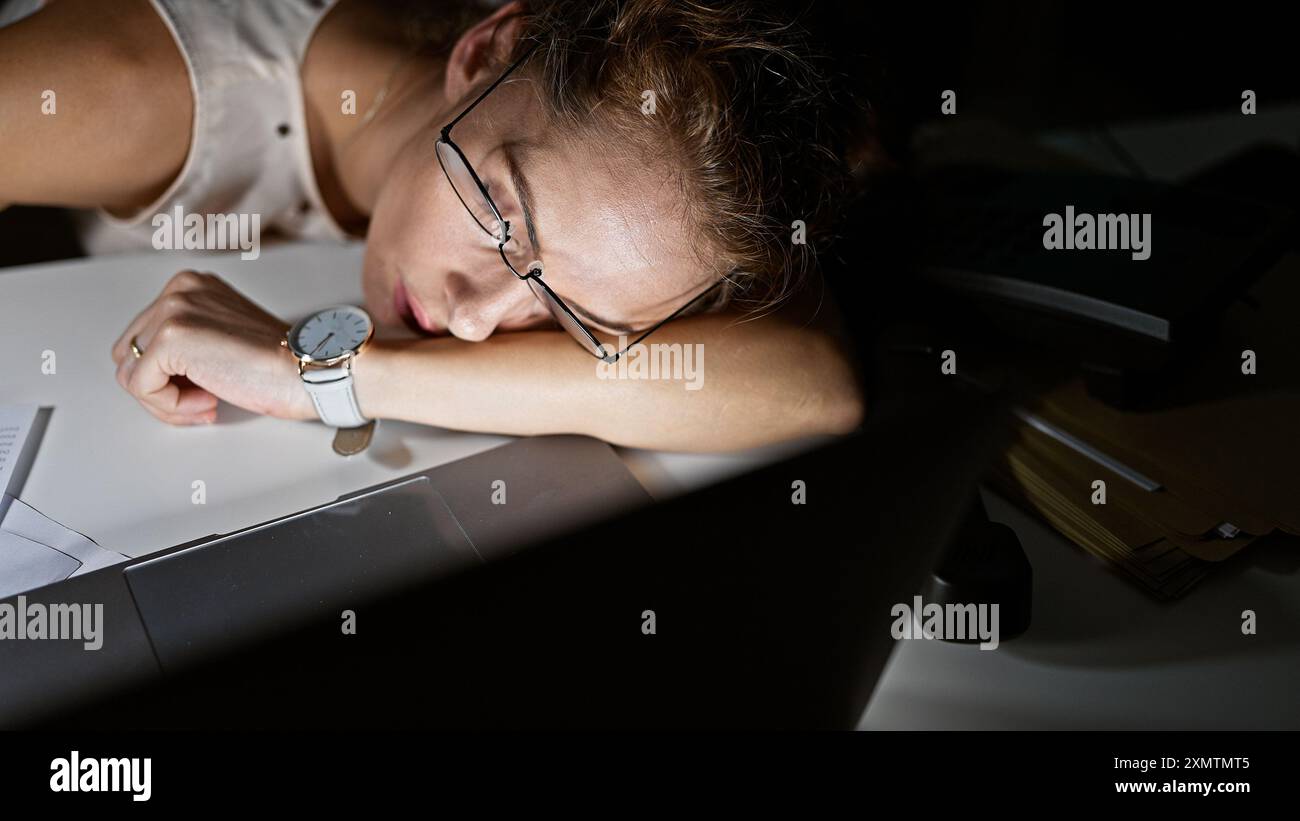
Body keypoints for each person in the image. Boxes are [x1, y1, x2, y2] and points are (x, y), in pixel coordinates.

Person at [0, 0, 864, 451]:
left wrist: (328, 379)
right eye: (501, 220)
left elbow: (813, 384)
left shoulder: (636, 171)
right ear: (487, 52)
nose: (477, 320)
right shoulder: (134, 90)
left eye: (570, 316)